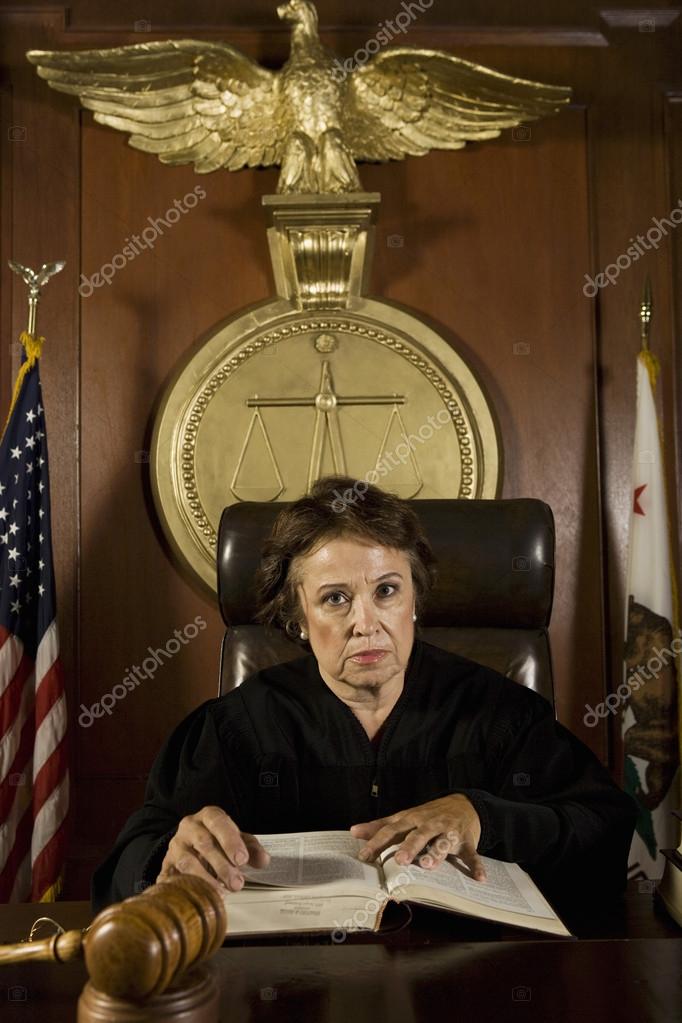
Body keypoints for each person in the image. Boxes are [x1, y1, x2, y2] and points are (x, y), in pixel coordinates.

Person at [91, 475, 636, 913]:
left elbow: (604, 833)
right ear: (296, 616)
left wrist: (482, 817)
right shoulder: (239, 727)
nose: (366, 623)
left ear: (415, 599)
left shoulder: (498, 714)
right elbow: (125, 868)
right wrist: (167, 856)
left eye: (387, 591)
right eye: (335, 599)